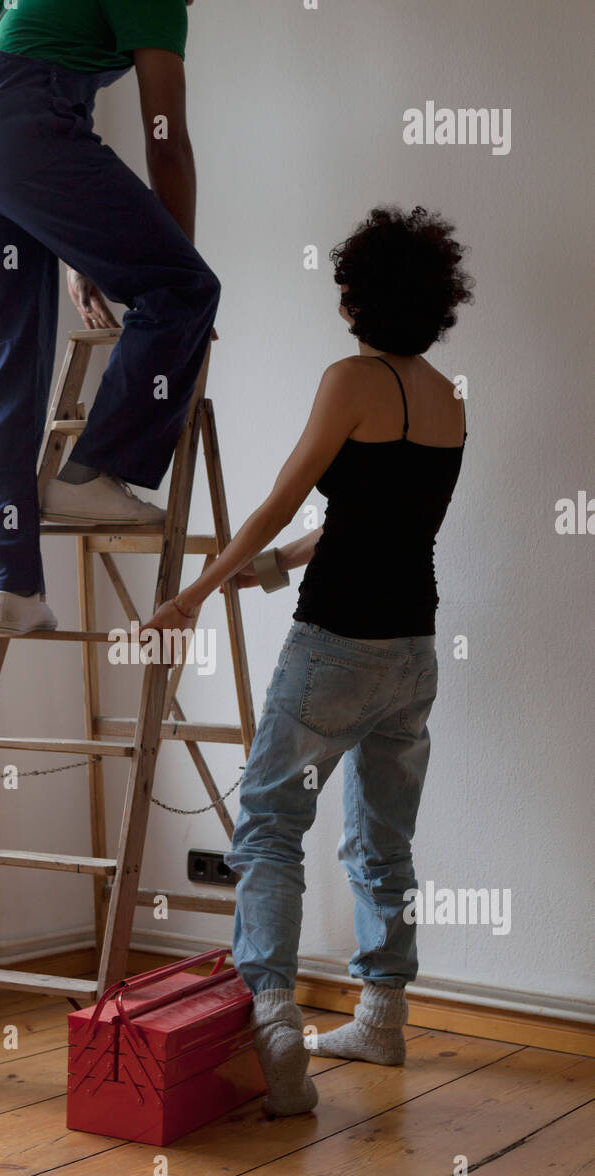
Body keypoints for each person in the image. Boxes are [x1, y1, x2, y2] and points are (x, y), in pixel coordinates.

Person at [143, 206, 474, 1115]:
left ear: (360, 296)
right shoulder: (449, 396)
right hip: (411, 652)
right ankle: (382, 1016)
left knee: (268, 825)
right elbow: (371, 520)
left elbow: (277, 503)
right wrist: (279, 569)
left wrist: (194, 594)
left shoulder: (348, 379)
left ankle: (277, 1023)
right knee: (383, 840)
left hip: (335, 647)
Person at [0, 1, 219, 635]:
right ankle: (89, 472)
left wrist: (84, 254)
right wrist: (170, 268)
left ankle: (13, 585)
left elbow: (38, 82)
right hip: (13, 125)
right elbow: (167, 141)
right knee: (186, 288)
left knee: (6, 364)